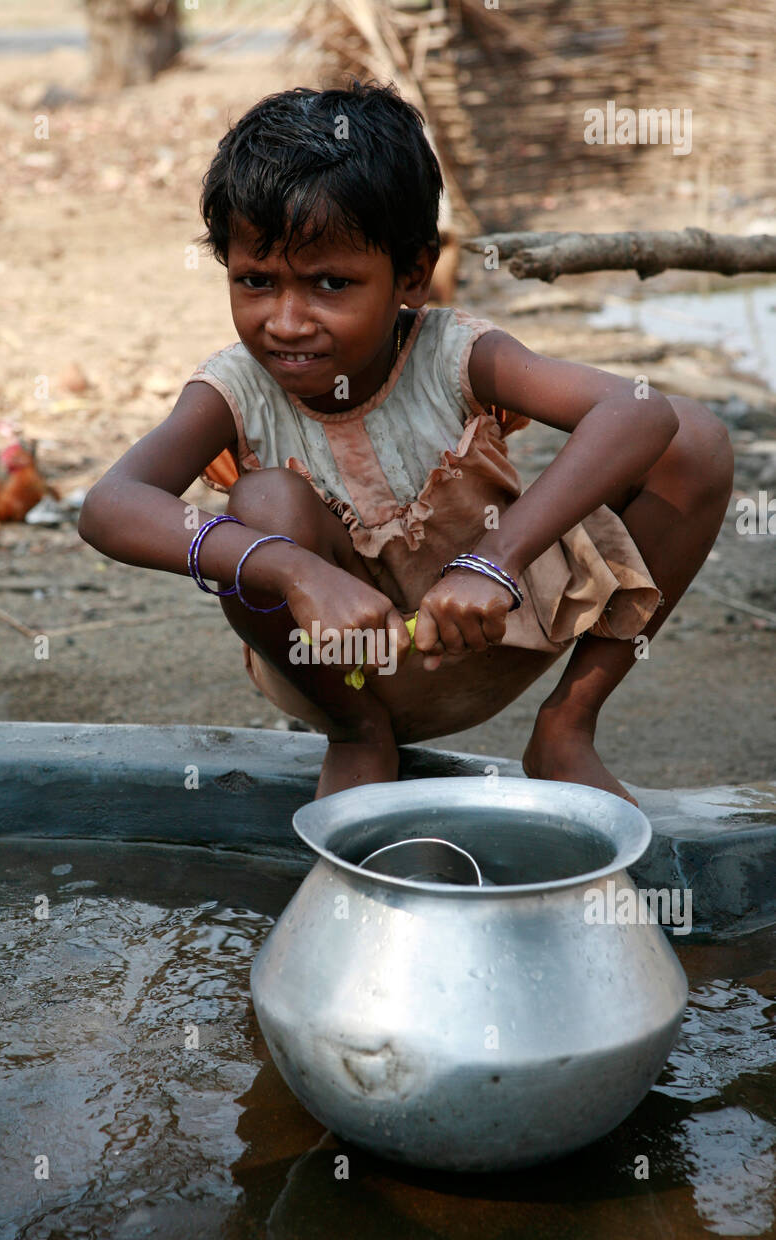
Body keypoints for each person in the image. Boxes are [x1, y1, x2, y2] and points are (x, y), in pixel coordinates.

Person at [78, 81, 734, 804]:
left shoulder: (455, 353)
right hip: (340, 667)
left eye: (331, 282)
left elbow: (639, 413)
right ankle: (358, 735)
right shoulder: (234, 390)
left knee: (694, 438)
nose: (287, 320)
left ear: (413, 275)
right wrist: (296, 572)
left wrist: (497, 560)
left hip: (498, 624)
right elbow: (109, 505)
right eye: (256, 281)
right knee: (263, 499)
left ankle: (567, 725)